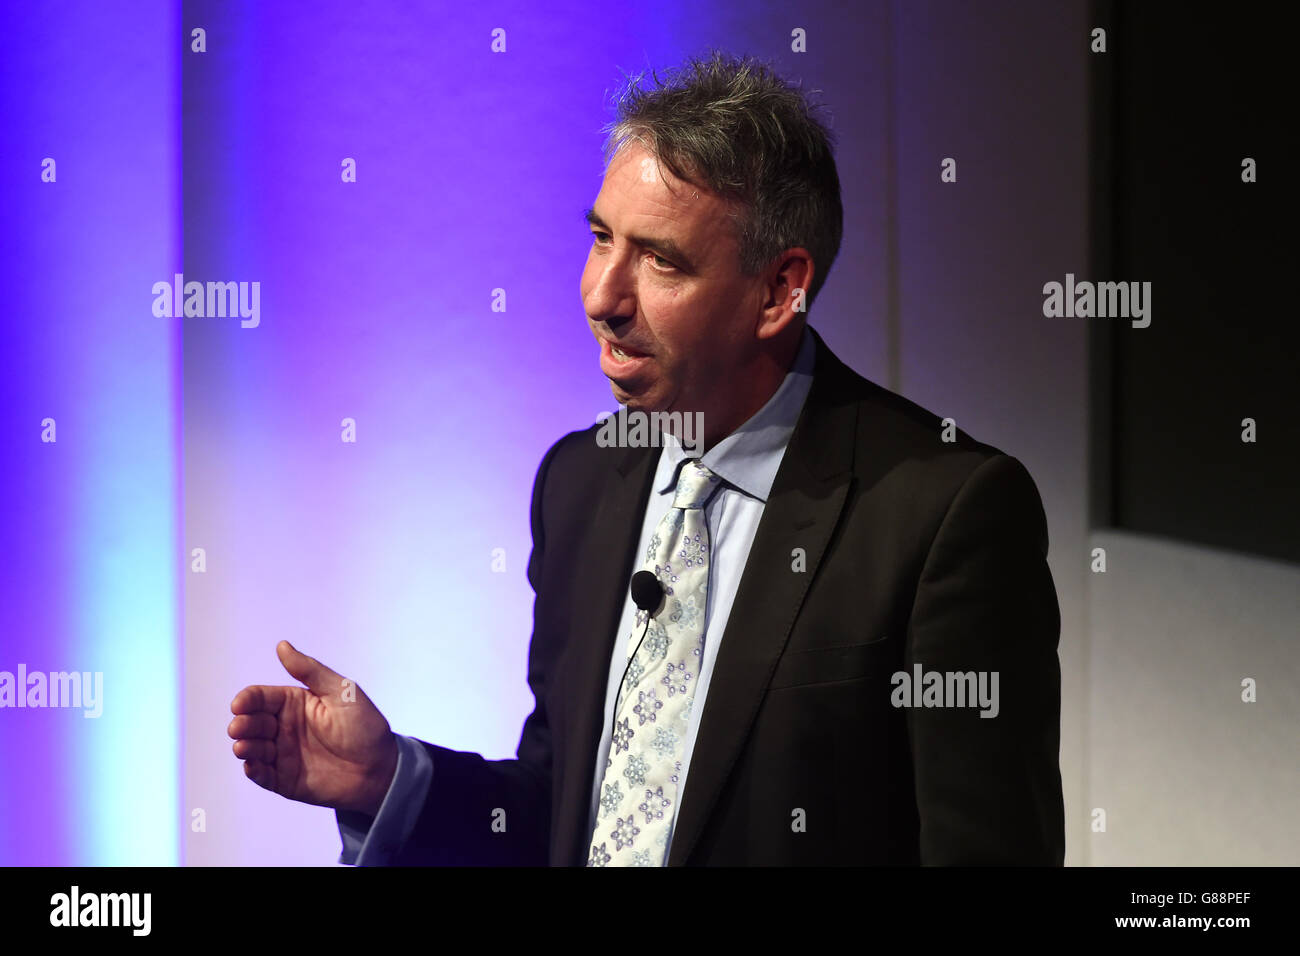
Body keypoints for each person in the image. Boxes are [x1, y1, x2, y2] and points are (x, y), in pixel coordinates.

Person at [229, 51, 1065, 866]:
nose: (602, 297)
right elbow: (568, 811)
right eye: (601, 239)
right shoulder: (580, 482)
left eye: (661, 260)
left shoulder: (943, 515)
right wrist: (387, 780)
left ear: (780, 292)